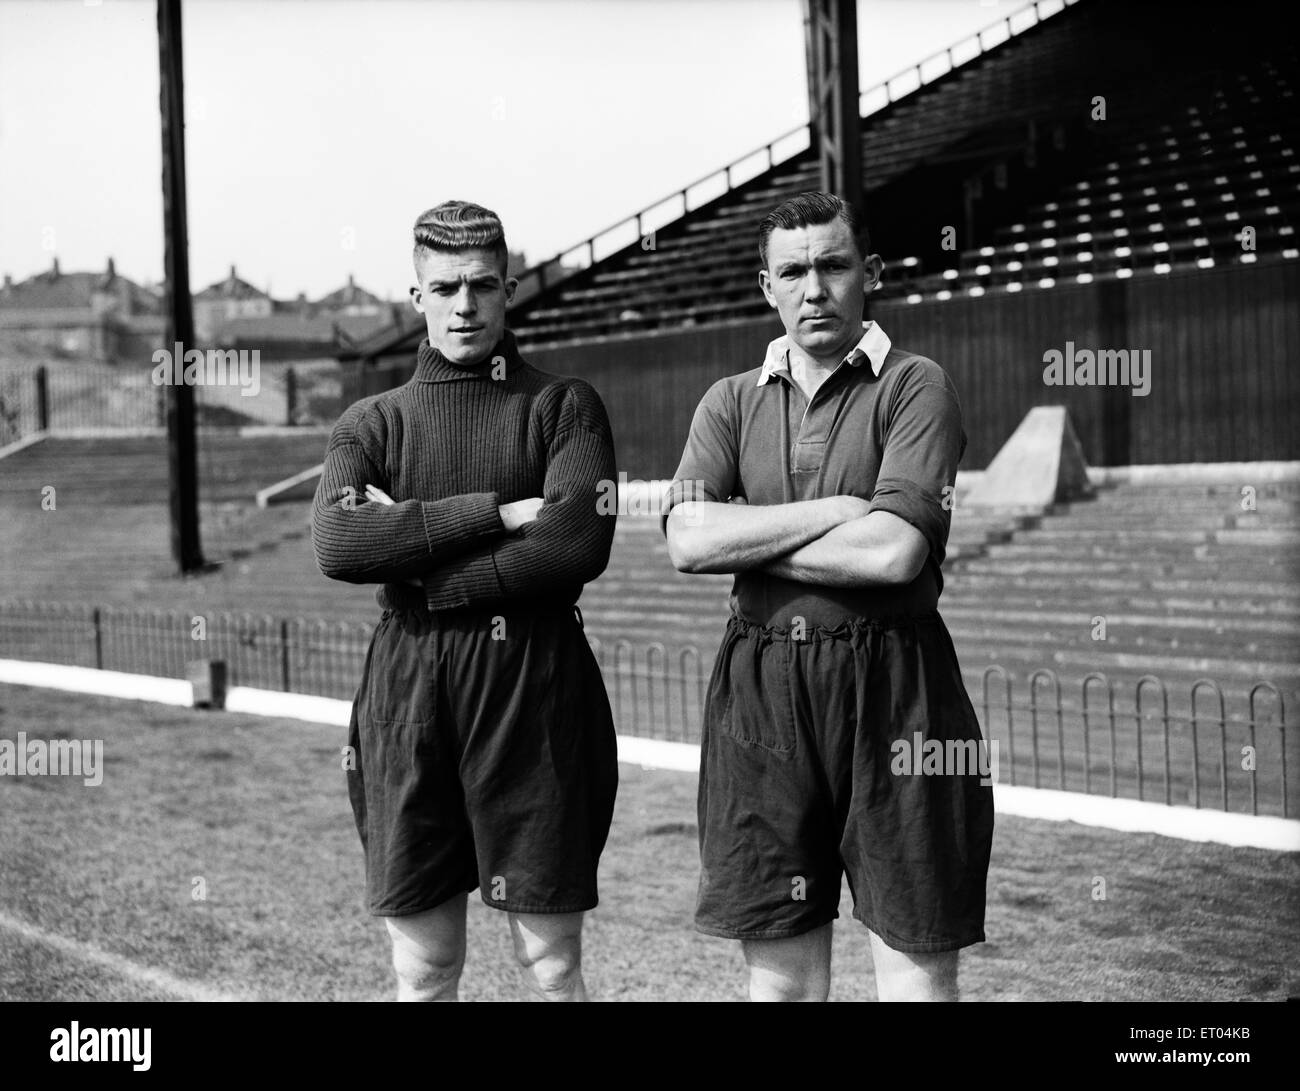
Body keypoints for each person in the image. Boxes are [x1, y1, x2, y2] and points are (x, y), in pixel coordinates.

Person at [662, 191, 994, 1002]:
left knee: (914, 978)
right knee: (780, 987)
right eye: (793, 271)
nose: (814, 288)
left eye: (833, 265)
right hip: (761, 694)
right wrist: (836, 512)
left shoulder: (916, 385)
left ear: (868, 274)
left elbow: (893, 552)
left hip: (896, 691)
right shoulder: (730, 400)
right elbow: (687, 539)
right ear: (765, 286)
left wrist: (756, 536)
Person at [312, 200, 619, 1002]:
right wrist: (492, 512)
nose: (464, 304)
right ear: (415, 297)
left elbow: (577, 543)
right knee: (425, 967)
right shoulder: (370, 422)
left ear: (509, 289)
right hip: (410, 684)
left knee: (551, 964)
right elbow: (340, 545)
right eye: (444, 286)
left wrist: (427, 567)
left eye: (483, 285)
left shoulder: (564, 406)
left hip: (534, 676)